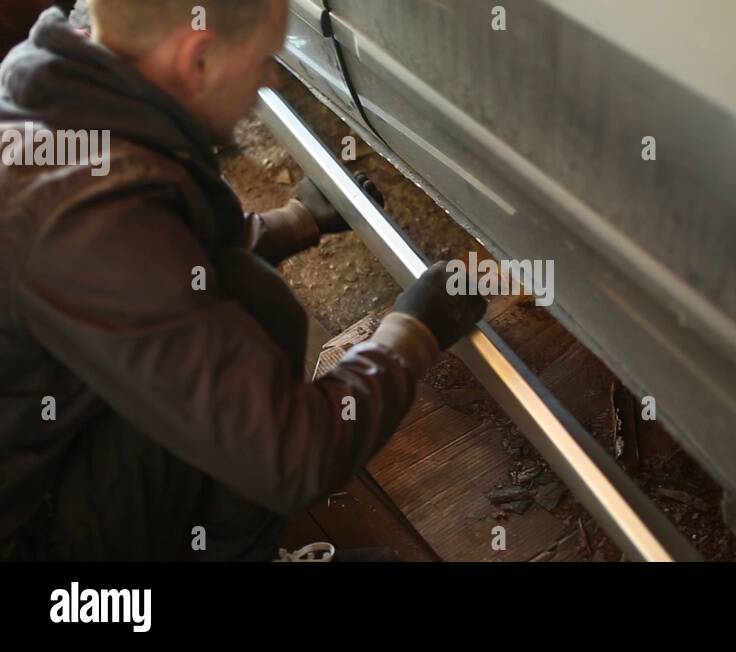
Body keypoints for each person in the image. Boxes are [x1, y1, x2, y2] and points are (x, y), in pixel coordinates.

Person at [0, 1, 485, 560]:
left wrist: (290, 225)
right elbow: (297, 458)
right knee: (257, 306)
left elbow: (142, 278)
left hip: (37, 470)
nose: (272, 78)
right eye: (264, 58)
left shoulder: (45, 87)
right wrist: (412, 333)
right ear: (199, 58)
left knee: (232, 293)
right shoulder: (85, 219)